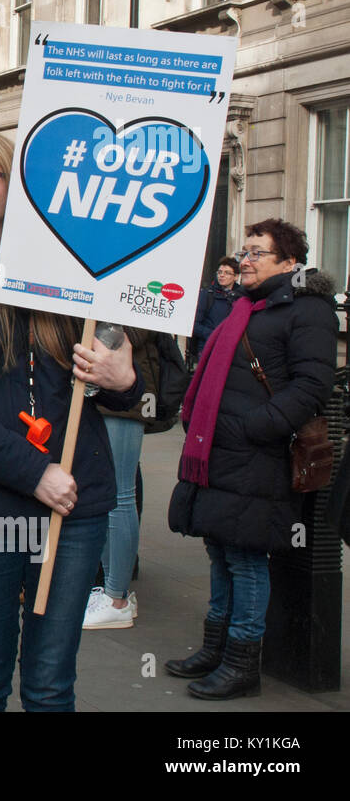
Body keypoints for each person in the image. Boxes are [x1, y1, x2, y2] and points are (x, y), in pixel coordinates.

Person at [0, 131, 140, 712]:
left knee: (50, 681)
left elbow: (125, 386)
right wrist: (34, 472)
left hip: (75, 506)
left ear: (15, 182)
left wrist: (125, 382)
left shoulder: (76, 268)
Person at [168, 218, 337, 699]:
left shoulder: (308, 311)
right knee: (219, 549)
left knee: (245, 557)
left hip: (257, 455)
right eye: (244, 251)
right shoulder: (245, 307)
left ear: (288, 262)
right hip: (219, 453)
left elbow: (312, 386)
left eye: (258, 252)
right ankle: (215, 647)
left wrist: (255, 427)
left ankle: (243, 662)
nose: (245, 259)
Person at [83, 327, 160, 629]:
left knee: (120, 495)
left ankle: (117, 598)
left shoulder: (128, 305)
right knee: (110, 494)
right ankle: (112, 590)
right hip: (112, 396)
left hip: (123, 399)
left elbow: (127, 335)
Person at [190, 256, 243, 368]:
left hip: (232, 350)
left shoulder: (242, 297)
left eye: (227, 273)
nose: (221, 275)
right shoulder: (207, 295)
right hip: (208, 347)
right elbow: (194, 324)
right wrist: (214, 335)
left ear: (236, 277)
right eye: (219, 272)